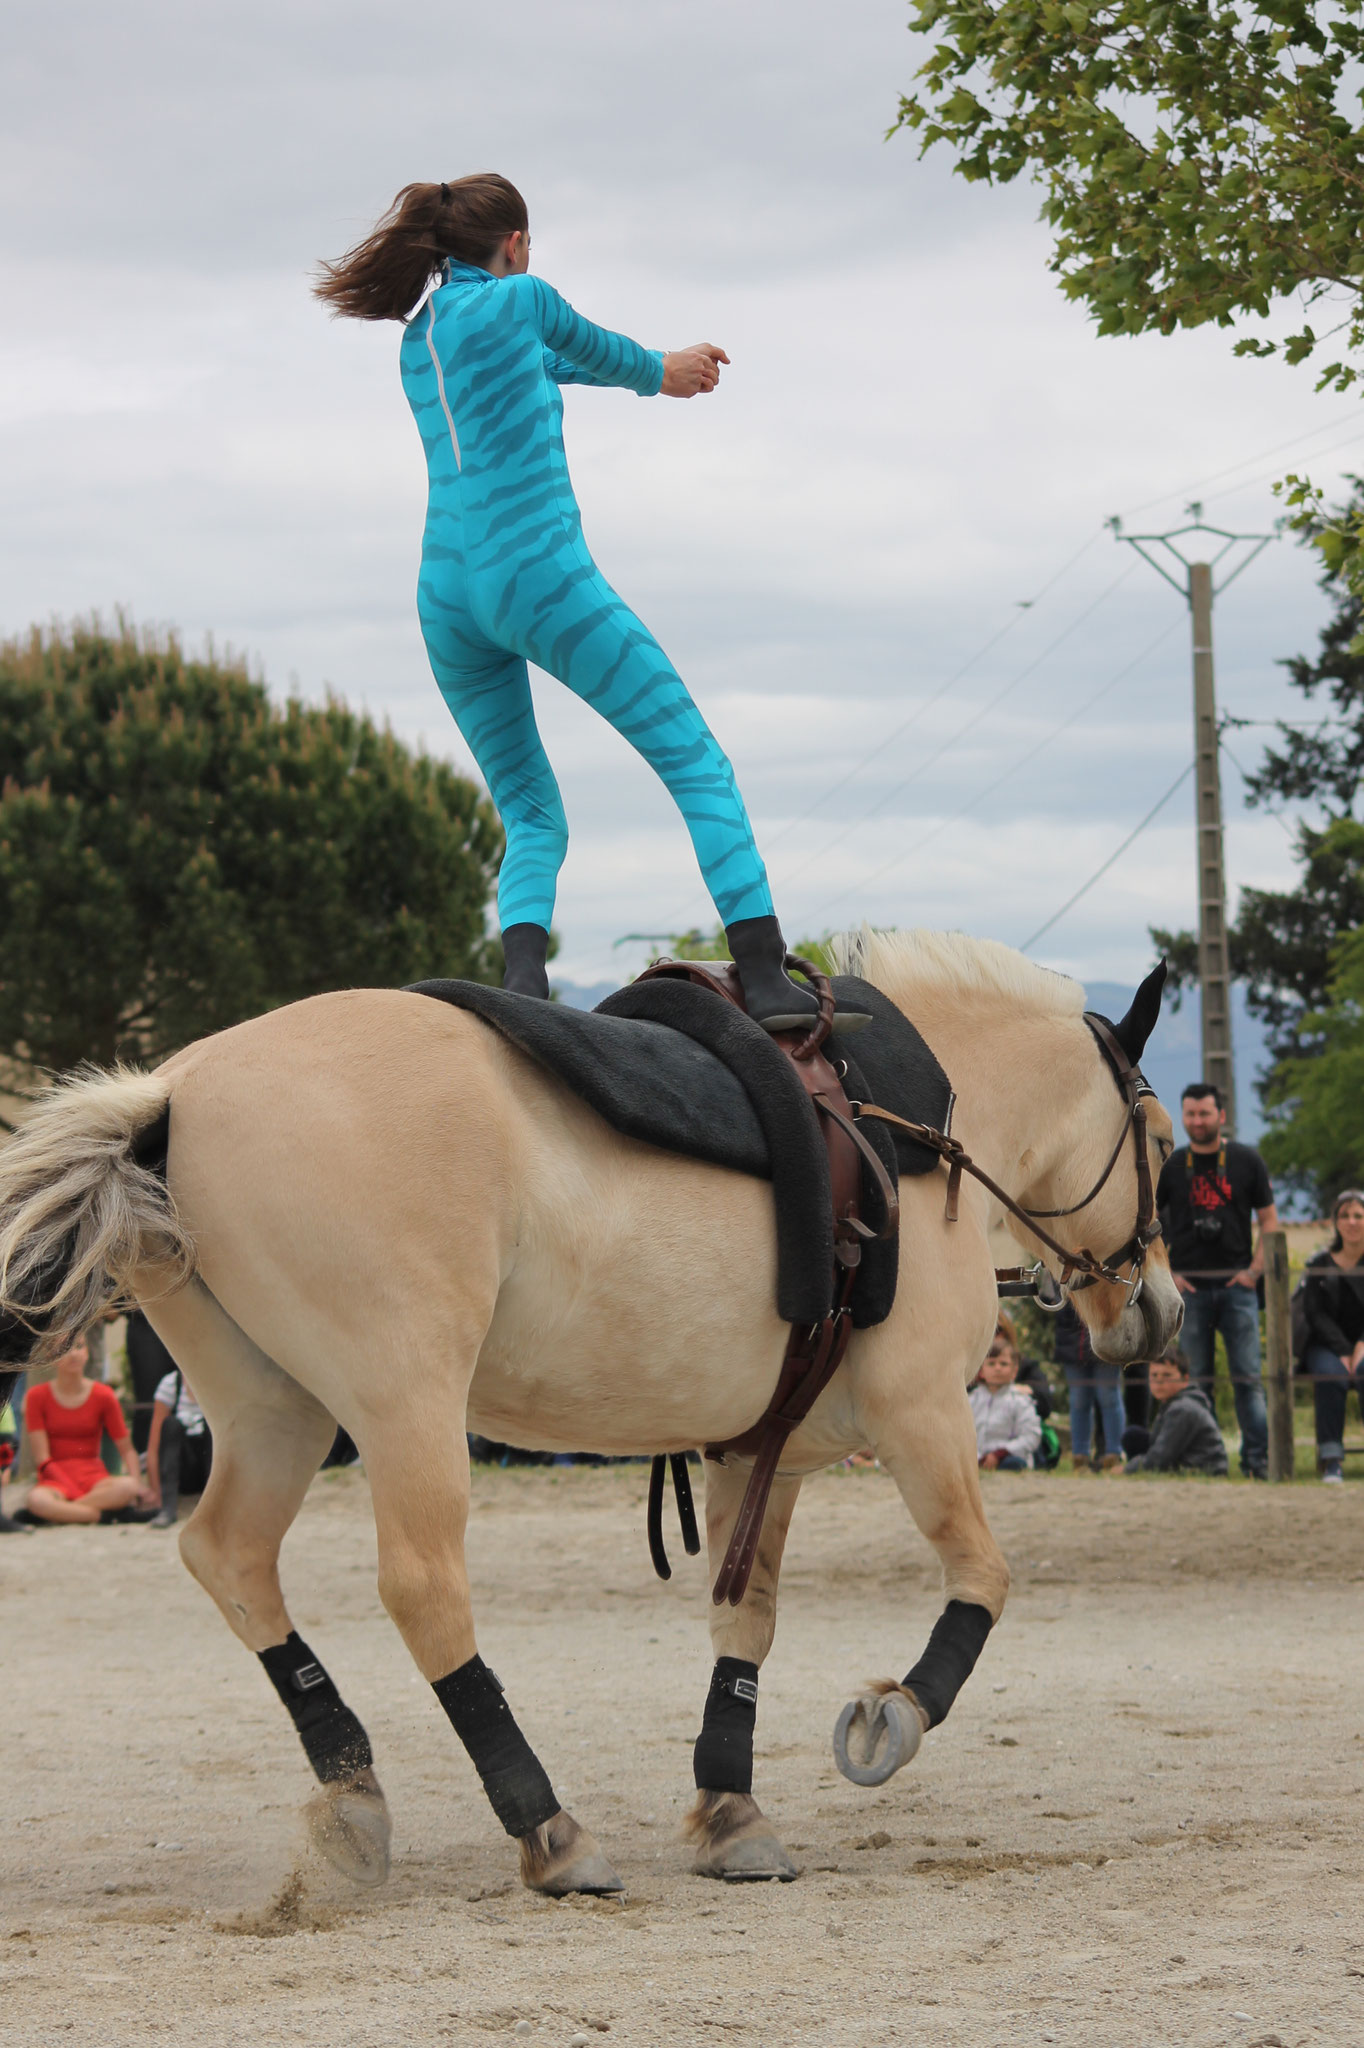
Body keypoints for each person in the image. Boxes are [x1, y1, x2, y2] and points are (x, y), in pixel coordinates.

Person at [314, 175, 866, 1032]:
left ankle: (522, 985)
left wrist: (653, 373)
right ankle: (764, 977)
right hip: (537, 577)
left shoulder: (420, 338)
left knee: (529, 810)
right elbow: (598, 348)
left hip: (446, 597)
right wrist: (665, 372)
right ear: (517, 245)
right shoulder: (526, 298)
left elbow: (555, 361)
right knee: (695, 761)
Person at [1156, 1081, 1277, 1480]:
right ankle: (1206, 1463)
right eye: (1190, 1113)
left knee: (1248, 1380)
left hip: (1237, 1288)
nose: (1196, 1121)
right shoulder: (1173, 1165)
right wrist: (1169, 1274)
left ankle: (1258, 1463)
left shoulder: (1247, 1161)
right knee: (1197, 1382)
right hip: (1189, 1288)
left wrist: (1254, 1272)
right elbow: (1150, 1224)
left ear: (1221, 1116)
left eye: (1204, 1113)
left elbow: (1269, 1222)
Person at [21, 1332, 149, 1524]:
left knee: (128, 1486)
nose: (73, 1354)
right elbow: (43, 1459)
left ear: (87, 1353)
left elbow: (127, 1449)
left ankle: (66, 1514)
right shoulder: (36, 1396)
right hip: (55, 1480)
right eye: (64, 1349)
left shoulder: (104, 1395)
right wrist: (70, 1489)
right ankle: (100, 1516)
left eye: (79, 1346)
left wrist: (137, 1483)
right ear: (51, 1357)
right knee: (37, 1499)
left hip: (95, 1479)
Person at [1300, 1188, 1364, 1485]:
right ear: (1336, 1222)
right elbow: (1314, 1313)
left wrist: (1360, 1346)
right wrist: (1342, 1350)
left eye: (1358, 1216)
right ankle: (1332, 1460)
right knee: (1330, 1375)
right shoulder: (1319, 1263)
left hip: (1363, 1346)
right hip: (1325, 1346)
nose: (1352, 1222)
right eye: (1345, 1216)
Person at [1121, 1349, 1228, 1476]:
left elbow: (1160, 1457)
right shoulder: (1171, 1404)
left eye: (1167, 1375)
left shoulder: (1182, 1409)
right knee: (1133, 1436)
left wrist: (1127, 1469)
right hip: (1184, 1461)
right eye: (1154, 1375)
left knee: (1140, 1449)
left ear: (1185, 1379)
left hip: (1203, 1469)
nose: (1159, 1381)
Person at [1053, 1298, 1127, 1472]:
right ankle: (1080, 1457)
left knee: (1108, 1396)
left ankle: (1114, 1455)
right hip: (1071, 1340)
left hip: (1107, 1336)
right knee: (1078, 1400)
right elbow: (1052, 1298)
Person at [144, 1365, 212, 1528]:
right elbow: (153, 1447)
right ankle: (168, 1507)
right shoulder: (171, 1384)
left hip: (210, 1465)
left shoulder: (218, 1382)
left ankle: (216, 1504)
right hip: (183, 1469)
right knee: (170, 1425)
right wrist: (156, 1493)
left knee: (211, 1427)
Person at [970, 1334, 1042, 1471]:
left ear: (1014, 1371)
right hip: (977, 1459)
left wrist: (999, 1454)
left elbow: (1031, 1436)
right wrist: (979, 1458)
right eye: (991, 1363)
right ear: (981, 1371)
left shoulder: (1021, 1401)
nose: (997, 1368)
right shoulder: (971, 1400)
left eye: (1003, 1364)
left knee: (1013, 1464)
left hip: (1008, 1457)